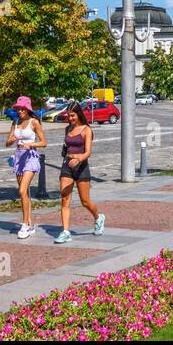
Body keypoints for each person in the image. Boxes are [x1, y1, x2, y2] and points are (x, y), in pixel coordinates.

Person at [55, 101, 105, 243]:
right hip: (67, 165)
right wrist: (67, 155)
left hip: (81, 166)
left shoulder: (86, 130)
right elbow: (66, 147)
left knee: (85, 201)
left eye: (72, 116)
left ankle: (98, 217)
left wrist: (78, 159)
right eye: (69, 116)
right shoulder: (67, 129)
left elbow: (88, 152)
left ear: (79, 114)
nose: (70, 118)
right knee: (65, 199)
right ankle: (65, 231)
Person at [5, 96, 46, 239]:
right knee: (24, 194)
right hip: (18, 157)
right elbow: (7, 143)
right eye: (18, 109)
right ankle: (30, 223)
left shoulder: (34, 122)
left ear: (28, 109)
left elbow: (43, 142)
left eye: (22, 109)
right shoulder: (15, 122)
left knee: (22, 190)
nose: (20, 111)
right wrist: (13, 139)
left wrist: (30, 144)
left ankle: (24, 225)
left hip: (30, 157)